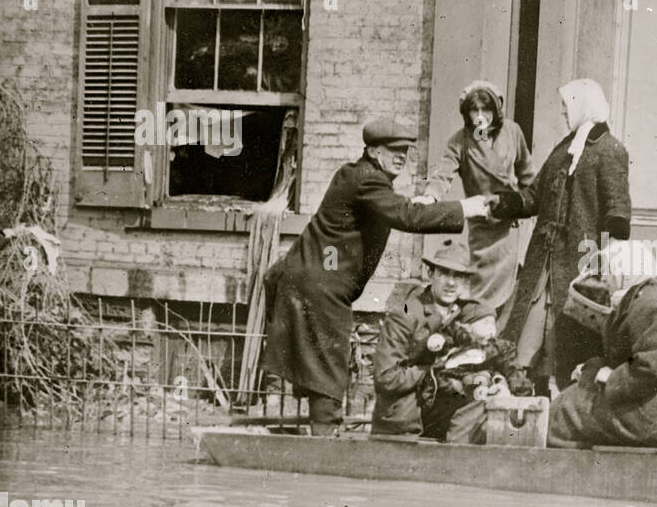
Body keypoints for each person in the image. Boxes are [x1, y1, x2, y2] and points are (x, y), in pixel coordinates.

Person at [263, 119, 491, 436]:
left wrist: (421, 204)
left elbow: (400, 208)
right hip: (321, 285)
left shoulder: (362, 177)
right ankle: (324, 441)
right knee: (329, 367)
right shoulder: (367, 180)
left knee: (320, 367)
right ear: (372, 151)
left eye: (405, 151)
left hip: (311, 278)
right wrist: (464, 208)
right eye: (393, 150)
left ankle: (319, 433)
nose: (401, 157)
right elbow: (406, 215)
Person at [496, 79, 631, 394]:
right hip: (543, 259)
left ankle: (562, 408)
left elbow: (618, 205)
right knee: (529, 329)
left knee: (568, 332)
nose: (561, 113)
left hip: (579, 258)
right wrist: (502, 203)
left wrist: (608, 257)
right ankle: (530, 399)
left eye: (566, 106)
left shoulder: (610, 150)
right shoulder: (563, 149)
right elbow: (535, 196)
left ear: (583, 106)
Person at [546, 252, 657, 449]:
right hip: (648, 406)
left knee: (566, 410)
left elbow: (649, 369)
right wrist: (590, 370)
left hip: (656, 413)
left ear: (626, 273)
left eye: (609, 272)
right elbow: (625, 359)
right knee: (570, 400)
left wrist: (608, 377)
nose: (605, 278)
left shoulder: (651, 307)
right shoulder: (635, 301)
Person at [371, 240, 513, 442]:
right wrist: (435, 373)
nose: (451, 283)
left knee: (491, 401)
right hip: (410, 413)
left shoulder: (468, 314)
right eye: (444, 273)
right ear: (431, 274)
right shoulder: (406, 314)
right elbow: (386, 377)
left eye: (458, 276)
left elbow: (489, 353)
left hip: (446, 407)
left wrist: (498, 381)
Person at [419, 80, 537, 323]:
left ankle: (499, 349)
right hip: (483, 230)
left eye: (487, 109)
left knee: (512, 295)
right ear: (467, 113)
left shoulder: (513, 132)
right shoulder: (460, 141)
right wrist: (431, 195)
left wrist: (528, 206)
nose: (481, 116)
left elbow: (529, 177)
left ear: (496, 111)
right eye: (475, 110)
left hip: (510, 228)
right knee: (480, 296)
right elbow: (443, 175)